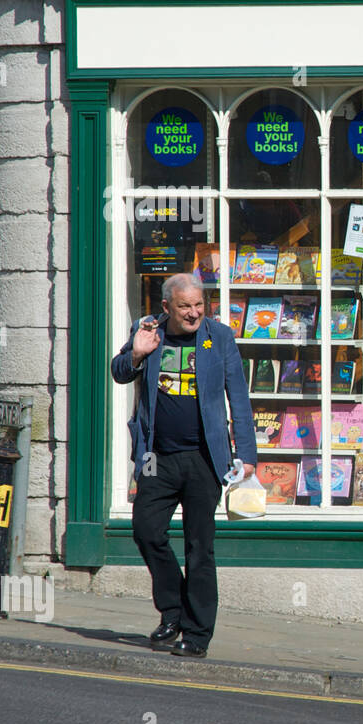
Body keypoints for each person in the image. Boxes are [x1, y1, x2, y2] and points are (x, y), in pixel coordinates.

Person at [111, 272, 256, 658]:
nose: (193, 313)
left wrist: (248, 455)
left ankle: (197, 634)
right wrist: (137, 352)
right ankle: (172, 610)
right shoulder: (147, 330)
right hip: (156, 456)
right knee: (146, 531)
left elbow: (238, 399)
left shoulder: (219, 337)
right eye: (184, 306)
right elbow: (119, 372)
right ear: (166, 308)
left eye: (198, 305)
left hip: (203, 459)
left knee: (199, 547)